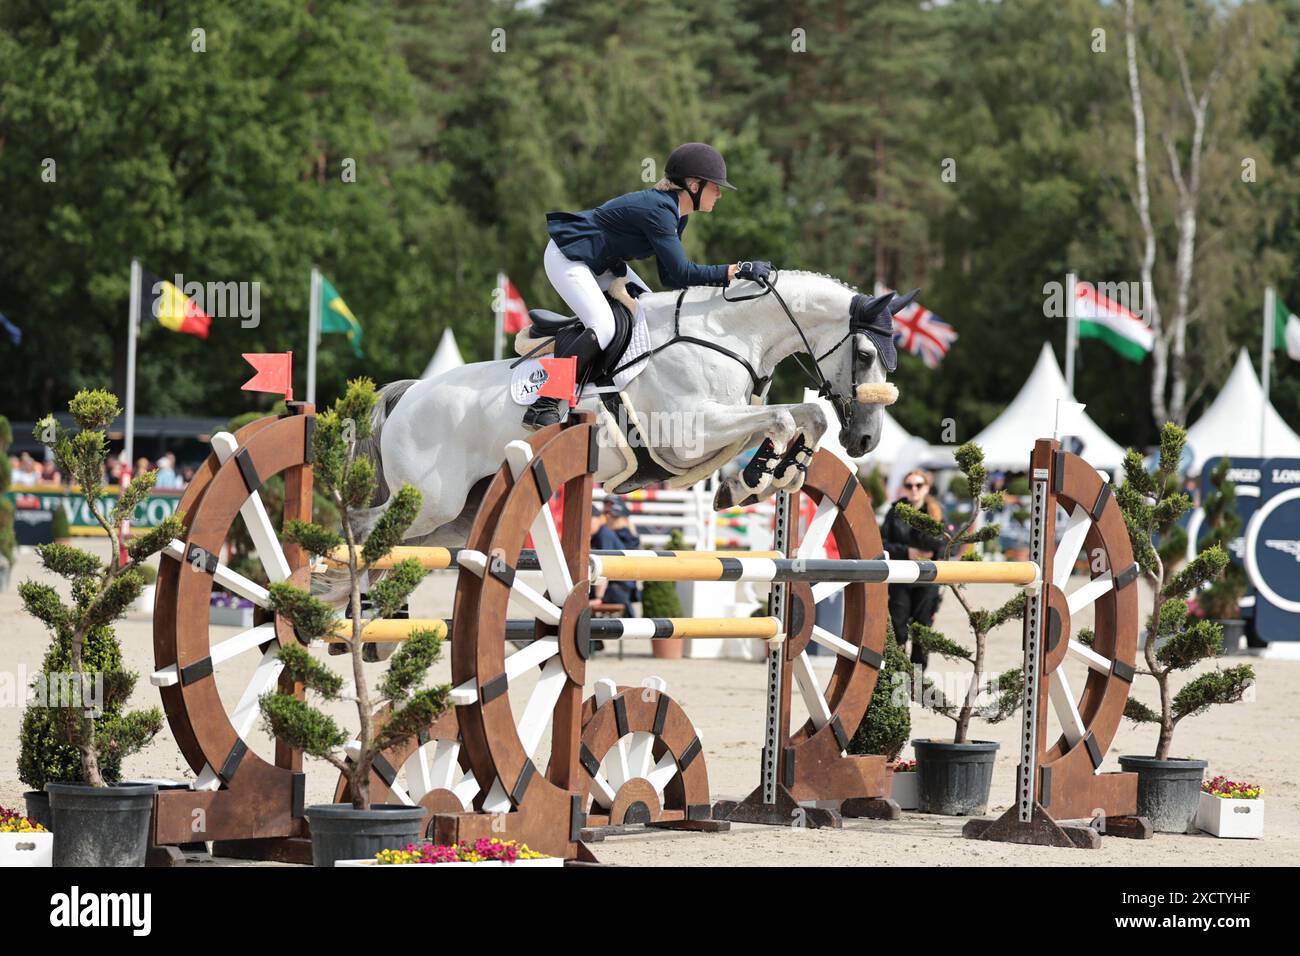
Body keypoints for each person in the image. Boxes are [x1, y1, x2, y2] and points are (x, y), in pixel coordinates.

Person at [524, 142, 775, 429]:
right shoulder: (659, 211)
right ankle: (544, 402)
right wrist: (736, 270)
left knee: (651, 309)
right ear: (694, 185)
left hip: (603, 262)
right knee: (604, 326)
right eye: (715, 186)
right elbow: (681, 273)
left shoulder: (676, 214)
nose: (719, 193)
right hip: (567, 256)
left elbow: (669, 278)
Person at [881, 468, 945, 669]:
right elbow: (882, 544)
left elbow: (944, 547)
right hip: (900, 578)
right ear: (904, 488)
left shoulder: (937, 512)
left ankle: (917, 682)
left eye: (919, 485)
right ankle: (897, 674)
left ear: (927, 488)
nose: (914, 489)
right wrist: (906, 552)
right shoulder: (895, 512)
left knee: (922, 631)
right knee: (898, 629)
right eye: (909, 485)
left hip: (927, 580)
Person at [603, 498, 642, 615]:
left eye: (614, 515)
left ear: (624, 519)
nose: (608, 517)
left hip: (621, 589)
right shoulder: (607, 534)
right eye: (606, 513)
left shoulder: (626, 536)